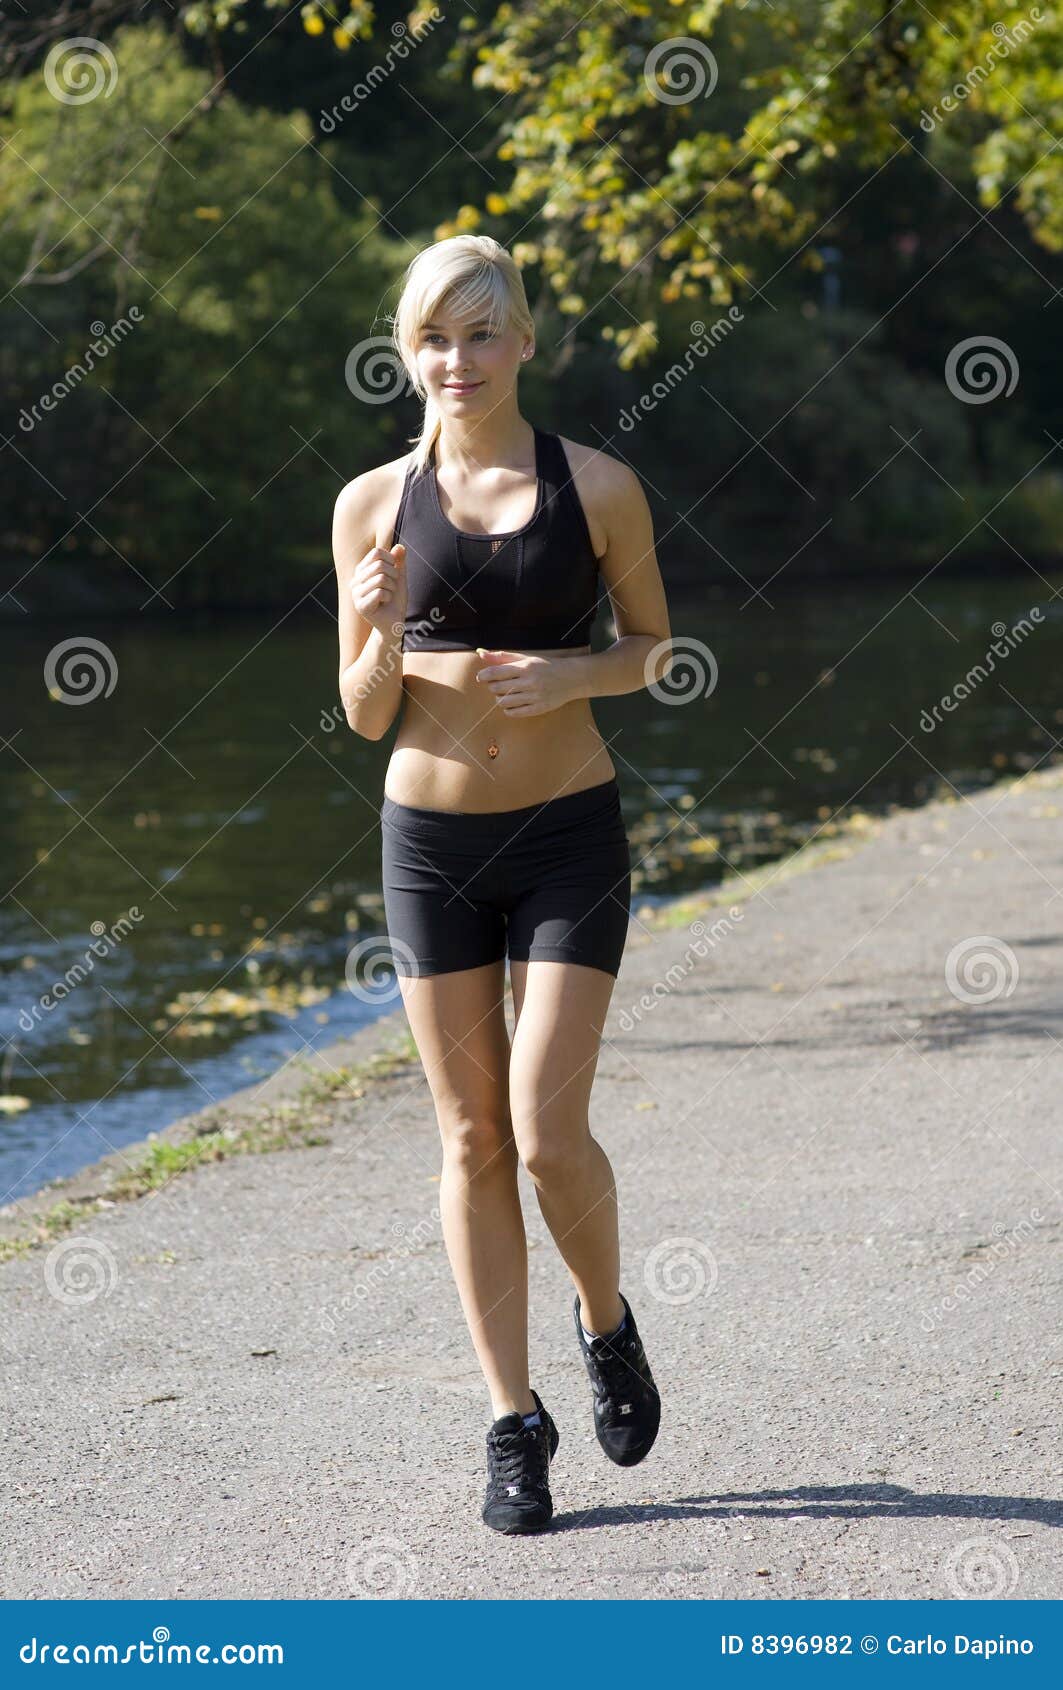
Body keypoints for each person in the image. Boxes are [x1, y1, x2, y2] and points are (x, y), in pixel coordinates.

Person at [332, 234, 673, 1535]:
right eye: (432, 336)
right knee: (468, 1136)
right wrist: (375, 617)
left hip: (567, 833)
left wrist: (571, 674)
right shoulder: (371, 504)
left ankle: (607, 1322)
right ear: (404, 351)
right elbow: (364, 713)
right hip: (428, 848)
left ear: (526, 342)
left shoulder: (598, 488)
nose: (456, 360)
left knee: (542, 1125)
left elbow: (653, 647)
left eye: (482, 333)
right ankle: (514, 1422)